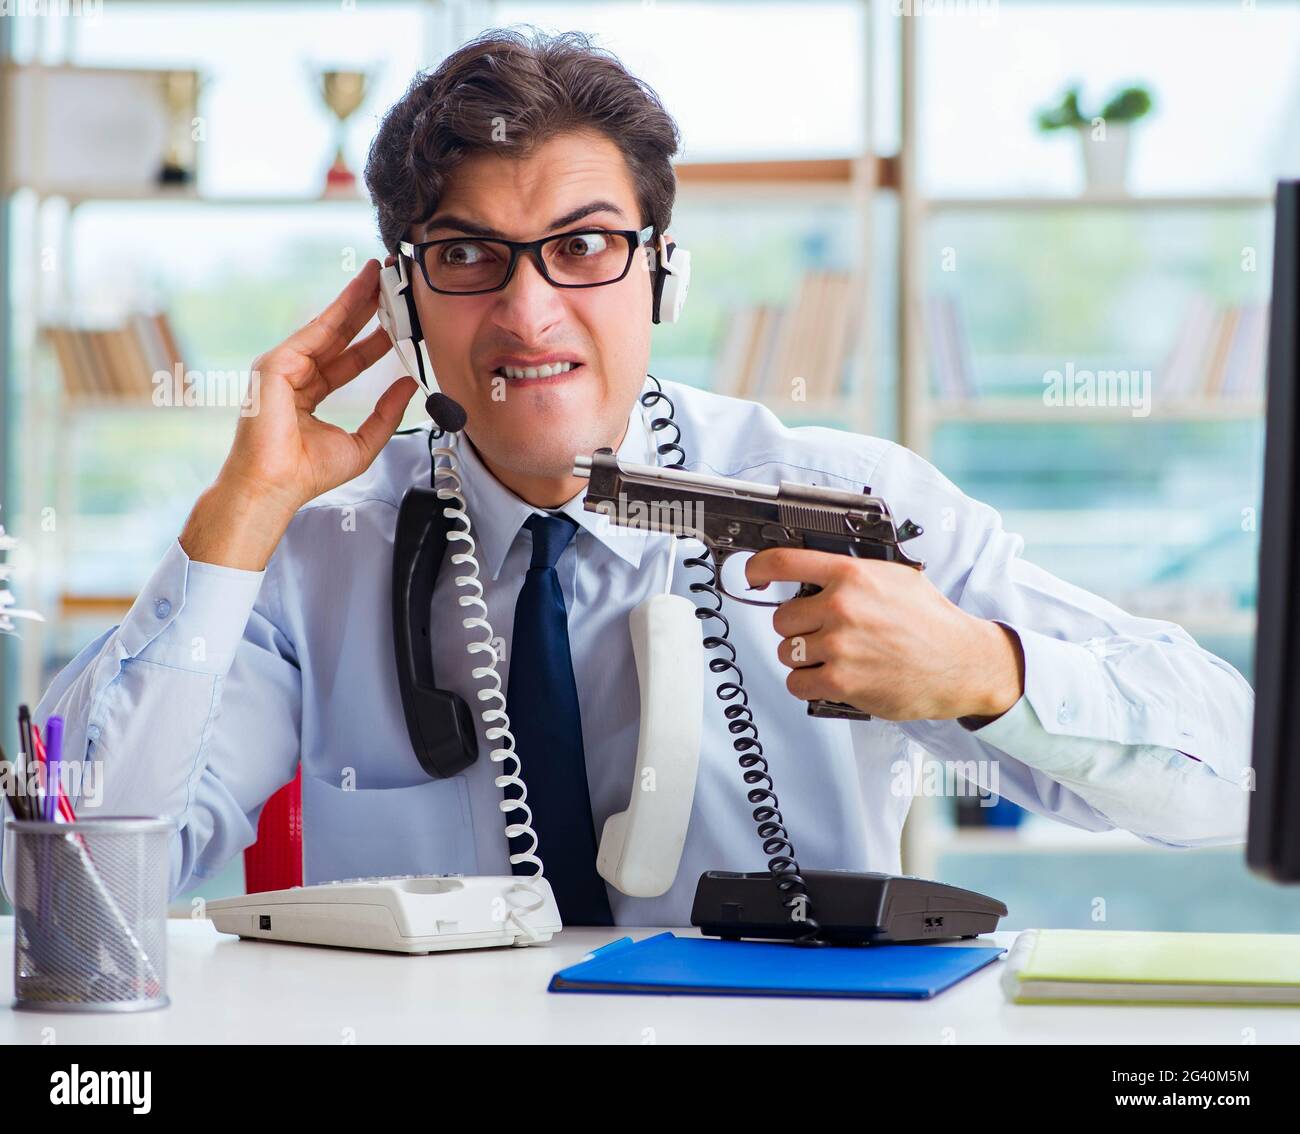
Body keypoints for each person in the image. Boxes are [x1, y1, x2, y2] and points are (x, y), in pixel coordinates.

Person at [5, 29, 1253, 926]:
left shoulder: (850, 499)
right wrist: (227, 531)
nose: (528, 311)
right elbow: (68, 898)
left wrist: (988, 674)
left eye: (585, 246)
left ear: (663, 275)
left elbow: (1237, 779)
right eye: (466, 254)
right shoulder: (312, 550)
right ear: (399, 296)